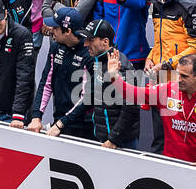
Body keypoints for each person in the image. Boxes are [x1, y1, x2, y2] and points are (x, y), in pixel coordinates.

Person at [108, 52, 196, 164]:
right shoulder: (166, 90)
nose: (179, 80)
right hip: (171, 165)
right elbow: (133, 94)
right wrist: (114, 76)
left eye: (184, 76)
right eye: (177, 74)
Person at [49, 19, 139, 149]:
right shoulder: (99, 62)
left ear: (105, 42)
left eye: (90, 40)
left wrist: (114, 139)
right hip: (105, 139)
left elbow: (132, 107)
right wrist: (61, 123)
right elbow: (90, 97)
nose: (85, 44)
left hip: (120, 143)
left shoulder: (122, 66)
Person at [145, 0, 196, 153]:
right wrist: (150, 57)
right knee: (160, 134)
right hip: (160, 77)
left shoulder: (190, 4)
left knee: (180, 136)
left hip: (181, 80)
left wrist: (167, 64)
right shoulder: (156, 1)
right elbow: (160, 41)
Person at [29, 7, 92, 136]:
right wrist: (36, 116)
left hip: (83, 127)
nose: (52, 30)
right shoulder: (56, 46)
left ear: (68, 31)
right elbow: (46, 83)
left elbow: (87, 97)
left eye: (56, 27)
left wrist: (61, 123)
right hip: (59, 121)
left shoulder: (89, 53)